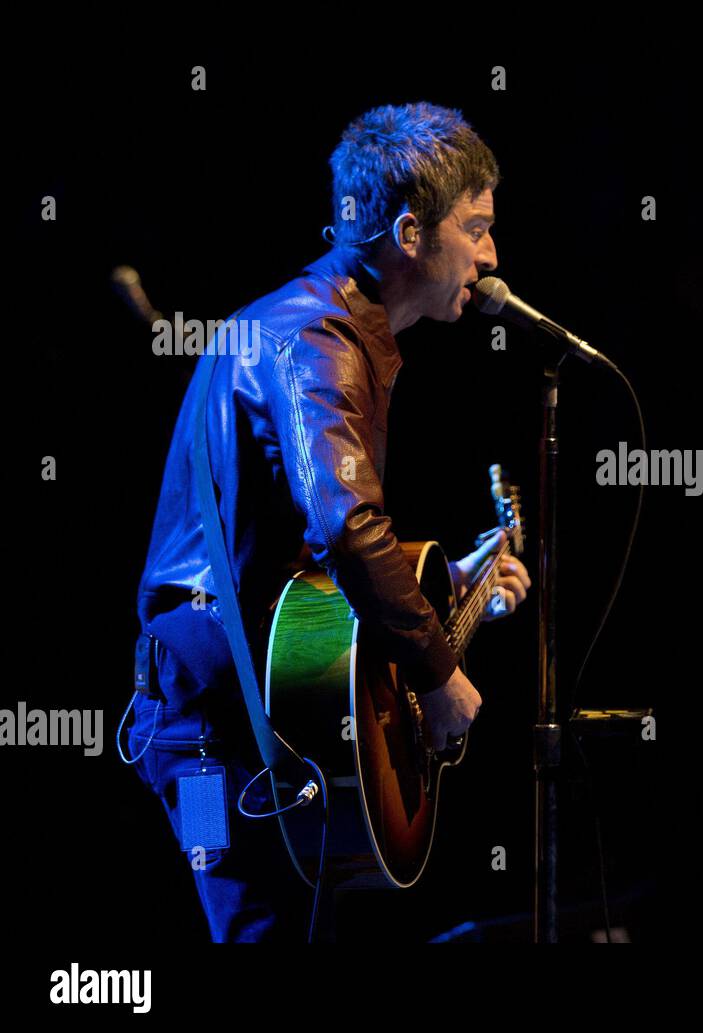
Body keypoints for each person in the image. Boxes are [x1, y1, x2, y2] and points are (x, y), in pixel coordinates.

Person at [122, 102, 531, 941]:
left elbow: (308, 569)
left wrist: (451, 587)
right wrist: (435, 670)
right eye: (477, 228)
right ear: (411, 232)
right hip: (204, 734)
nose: (491, 255)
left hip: (254, 711)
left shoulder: (332, 323)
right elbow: (345, 530)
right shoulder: (315, 335)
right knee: (248, 926)